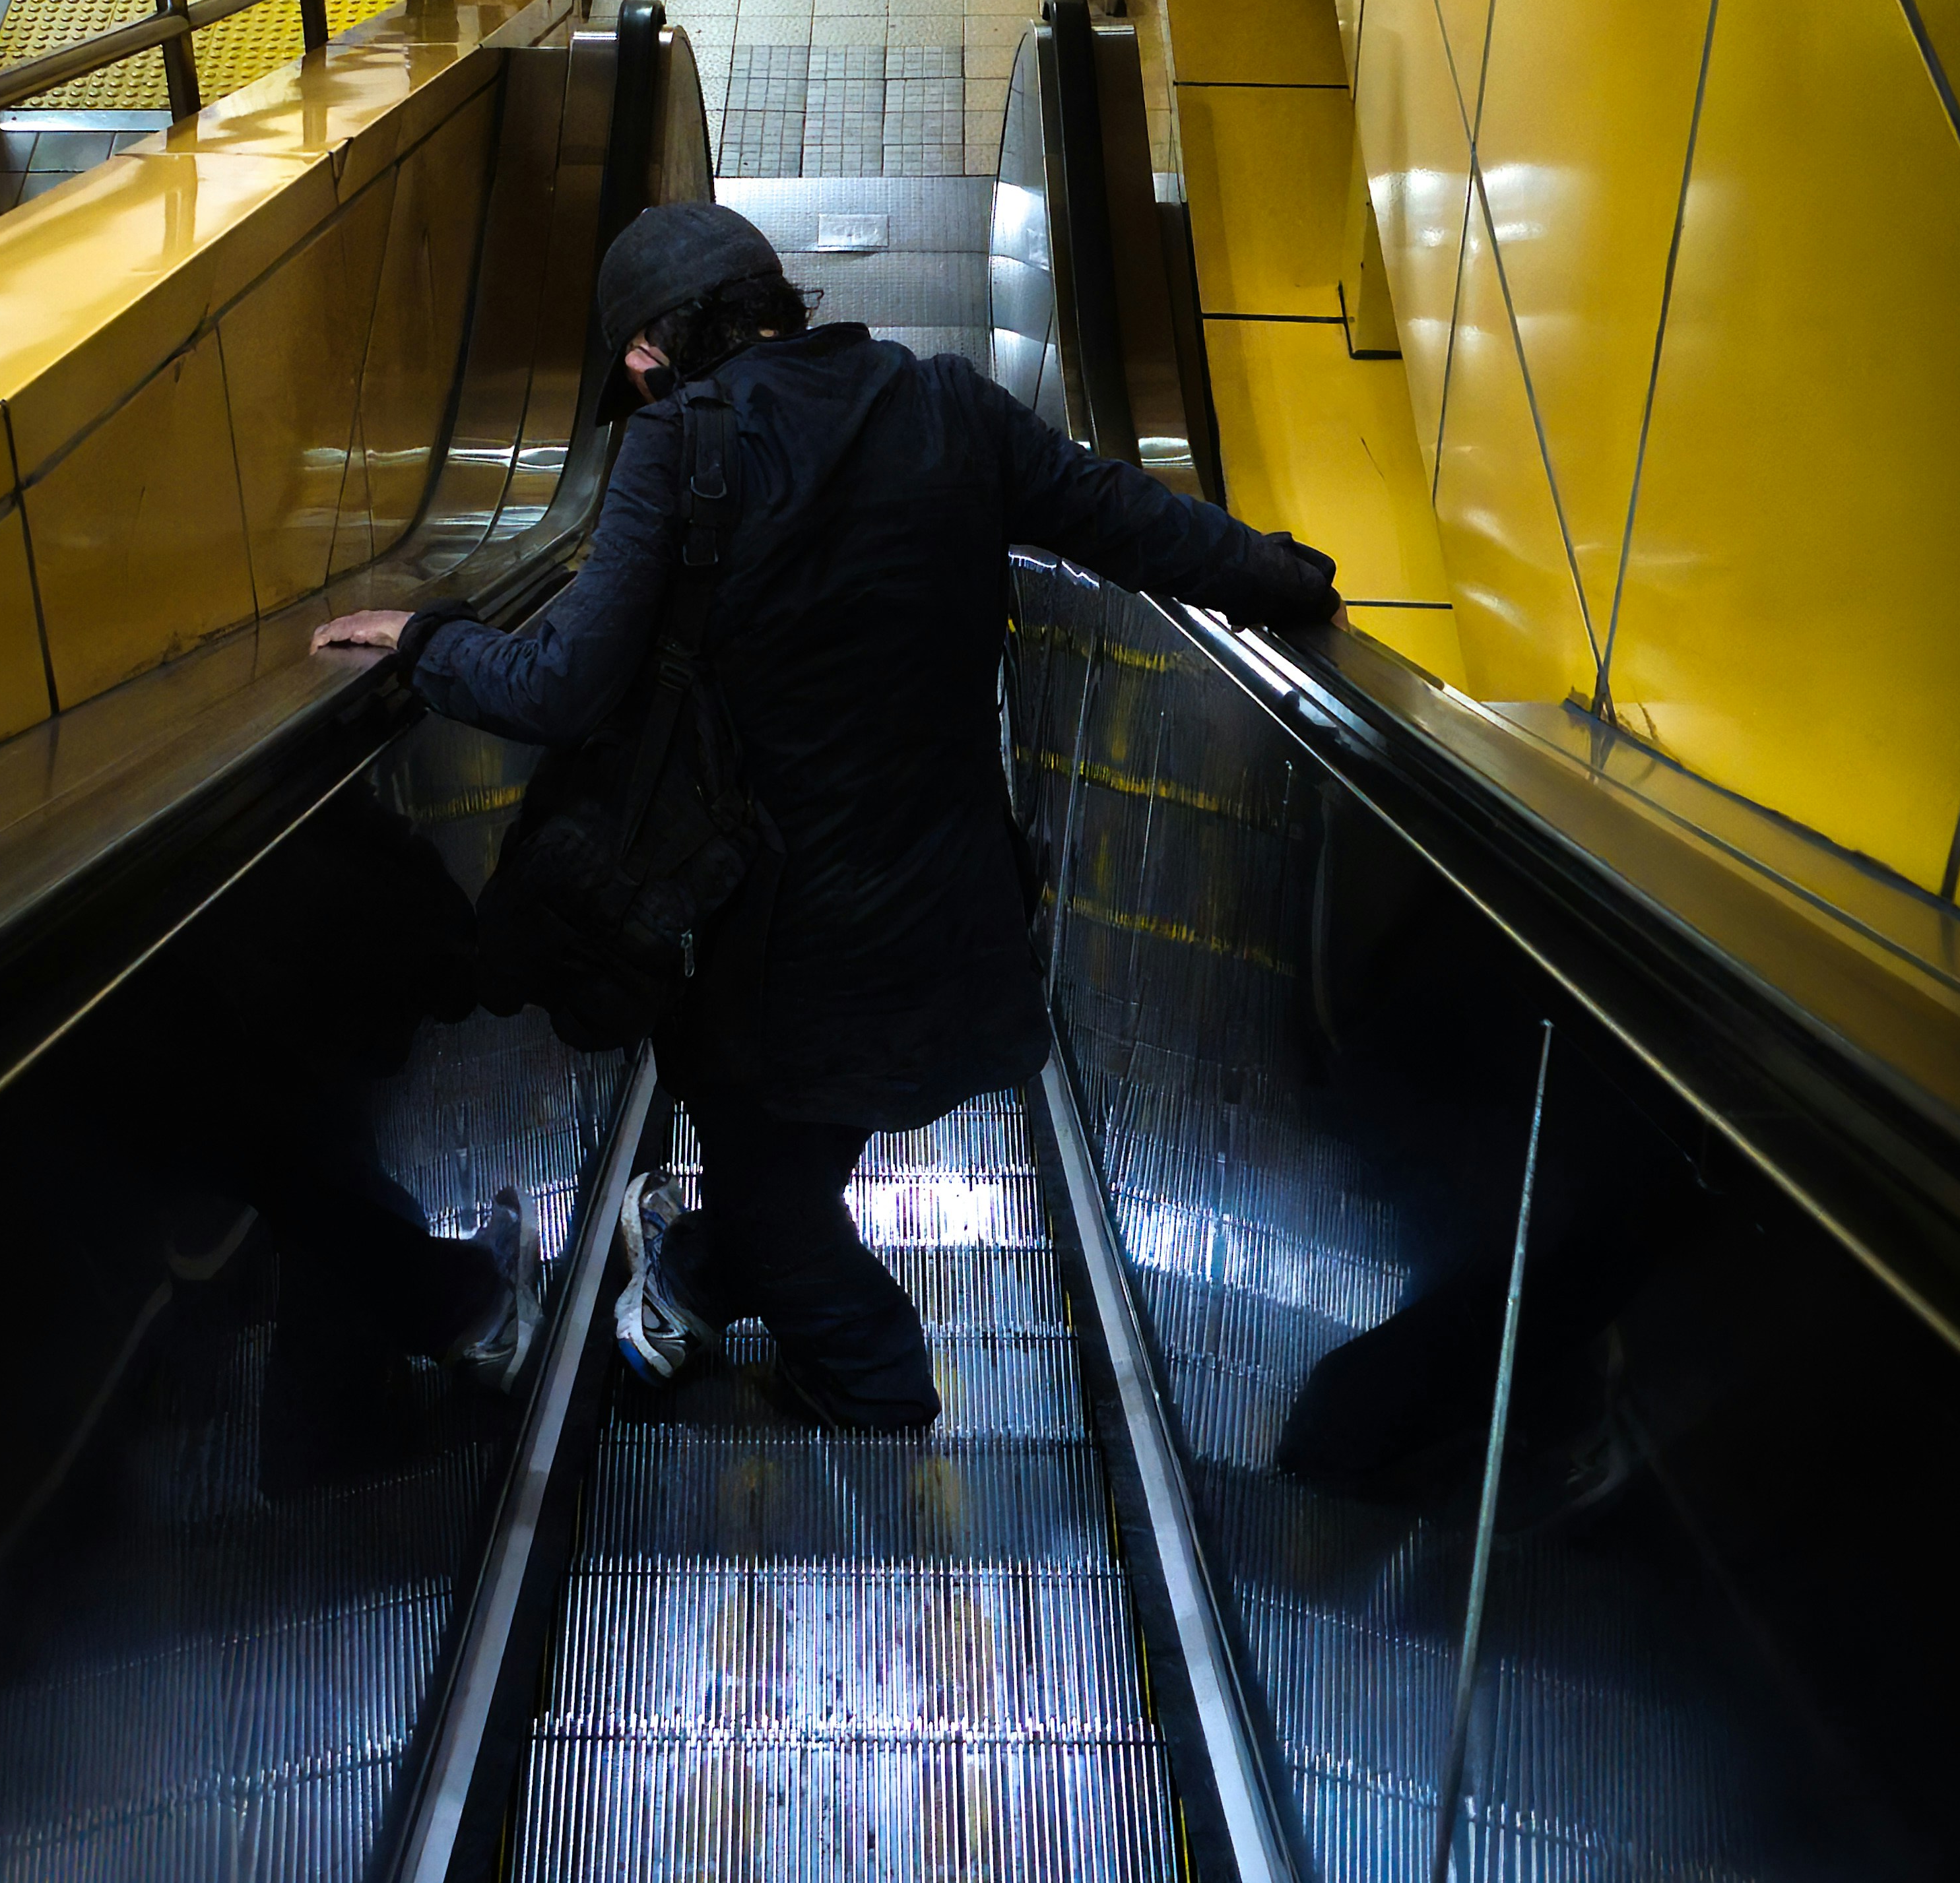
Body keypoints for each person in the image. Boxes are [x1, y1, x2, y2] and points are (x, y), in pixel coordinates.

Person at [315, 201, 1340, 1430]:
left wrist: (428, 637)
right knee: (798, 1163)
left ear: (650, 351)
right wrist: (1288, 576)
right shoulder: (948, 405)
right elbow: (1137, 525)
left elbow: (559, 684)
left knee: (775, 1193)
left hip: (765, 934)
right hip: (946, 903)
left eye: (632, 371)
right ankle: (693, 1275)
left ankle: (871, 1381)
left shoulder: (680, 445)